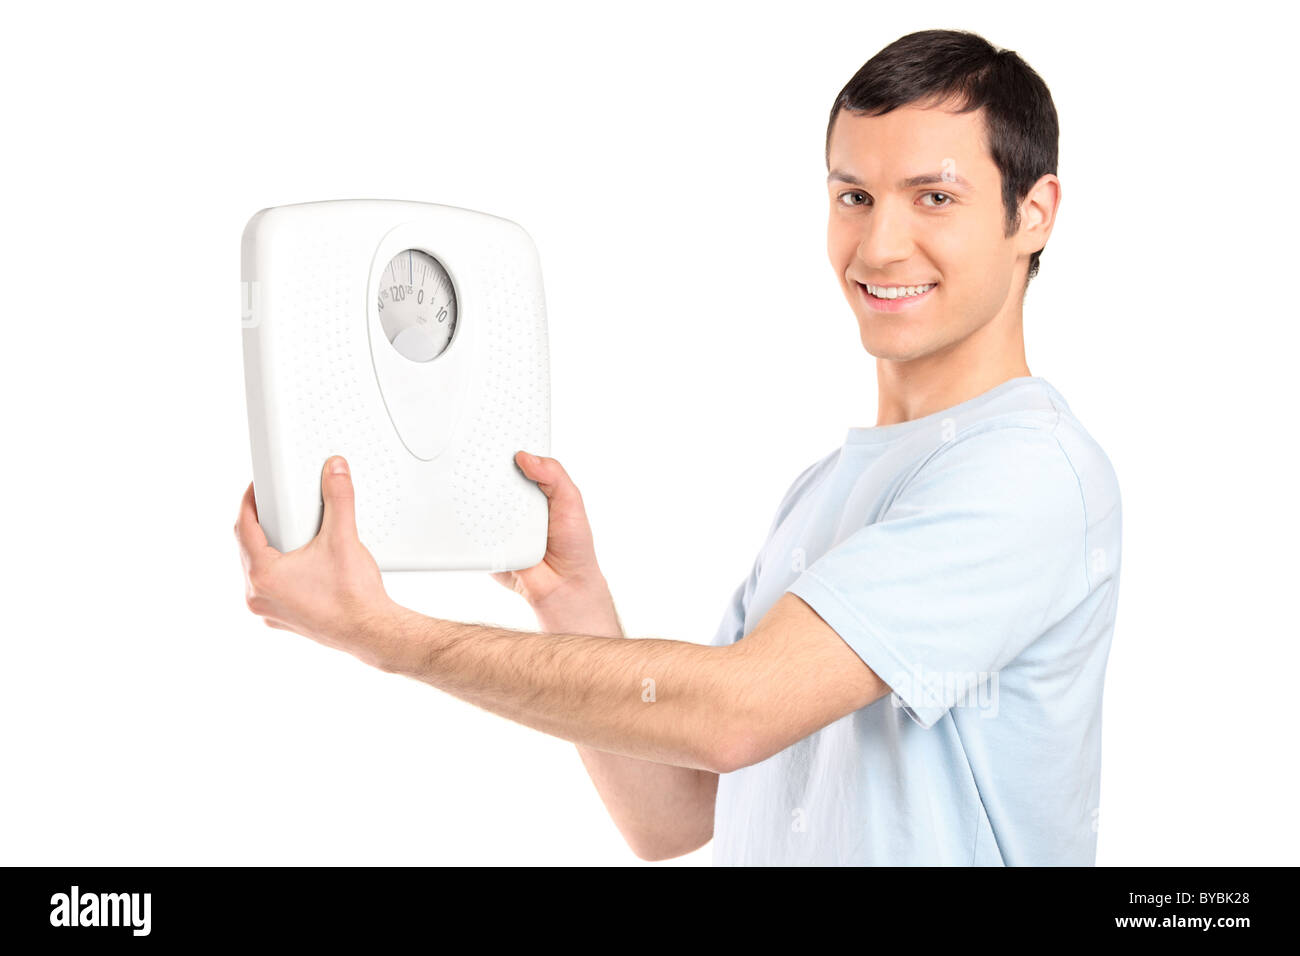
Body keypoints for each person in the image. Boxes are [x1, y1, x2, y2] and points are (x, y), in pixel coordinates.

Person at [235, 28, 1122, 866]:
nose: (880, 244)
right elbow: (673, 813)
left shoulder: (1030, 472)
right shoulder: (821, 491)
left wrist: (384, 635)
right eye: (854, 196)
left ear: (1034, 213)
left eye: (934, 196)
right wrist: (571, 599)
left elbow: (737, 710)